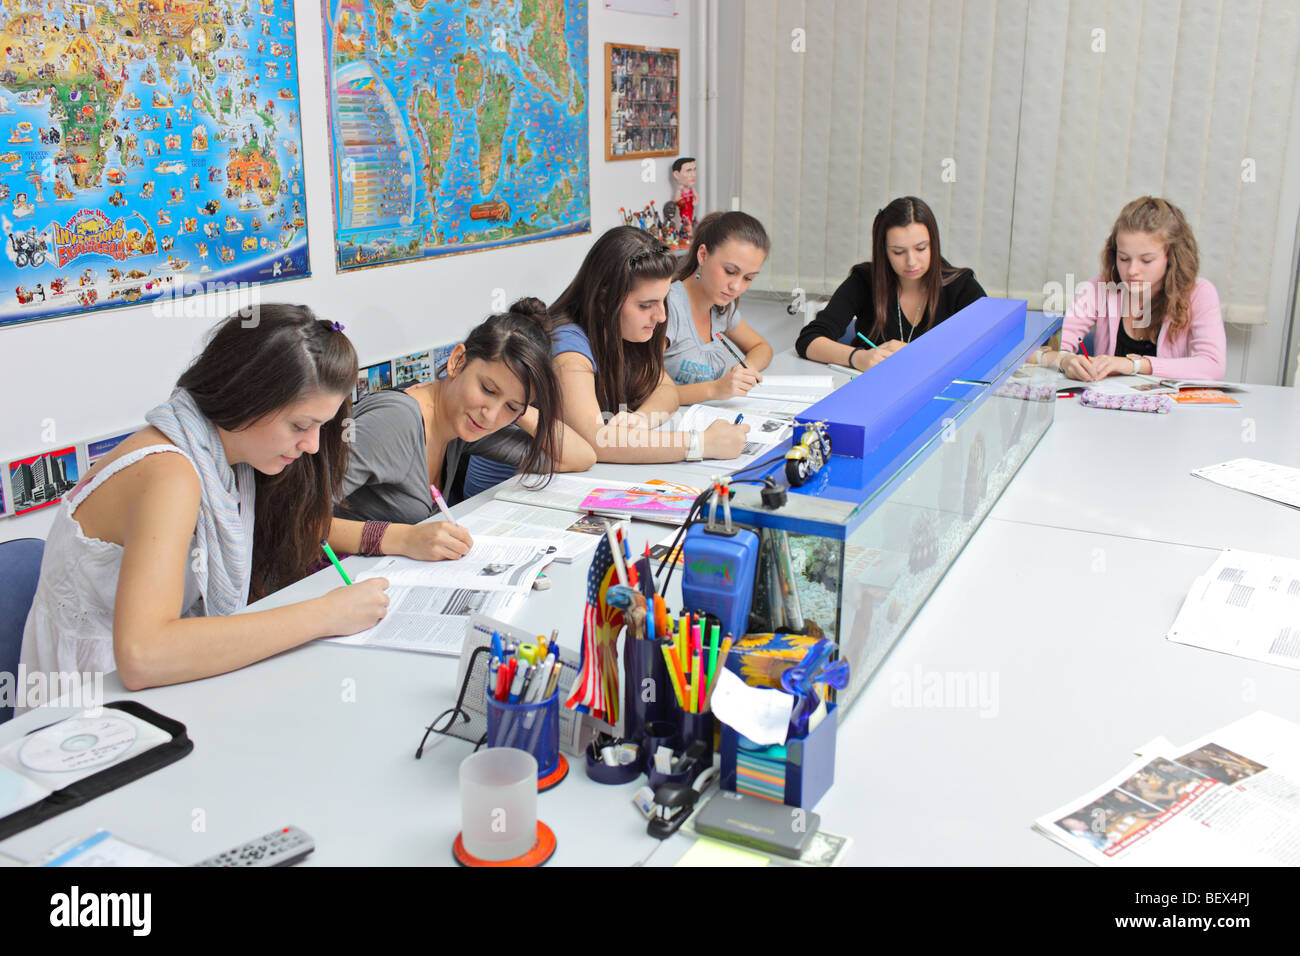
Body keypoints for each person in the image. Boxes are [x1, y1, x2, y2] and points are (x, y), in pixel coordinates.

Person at [20, 306, 390, 694]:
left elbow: (297, 525)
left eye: (322, 427)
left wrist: (388, 539)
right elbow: (143, 656)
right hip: (88, 701)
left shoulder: (225, 458)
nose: (312, 445)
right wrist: (325, 614)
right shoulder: (171, 474)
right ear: (247, 396)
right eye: (300, 425)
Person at [336, 298, 595, 554]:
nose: (491, 416)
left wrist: (519, 411)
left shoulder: (465, 426)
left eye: (511, 407)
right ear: (458, 360)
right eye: (487, 389)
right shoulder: (394, 421)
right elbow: (299, 517)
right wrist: (402, 539)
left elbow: (579, 456)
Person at [550, 226, 749, 464]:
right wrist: (700, 444)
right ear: (604, 301)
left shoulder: (628, 329)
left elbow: (666, 389)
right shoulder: (568, 349)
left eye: (663, 300)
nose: (661, 316)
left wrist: (641, 419)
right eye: (646, 305)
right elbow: (597, 441)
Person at [1043, 197, 1225, 382]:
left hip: (1171, 408)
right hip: (1106, 407)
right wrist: (1066, 359)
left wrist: (1135, 365)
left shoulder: (1200, 293)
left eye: (1146, 260)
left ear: (1171, 257)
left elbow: (1212, 366)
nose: (1132, 271)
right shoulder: (1099, 289)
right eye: (1123, 258)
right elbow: (1045, 350)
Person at [796, 196, 986, 371]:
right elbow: (809, 340)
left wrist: (917, 354)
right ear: (884, 251)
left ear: (934, 245)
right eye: (898, 252)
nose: (911, 261)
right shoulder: (864, 281)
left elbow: (990, 350)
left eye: (921, 248)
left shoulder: (961, 287)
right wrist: (858, 357)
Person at [663, 211, 772, 403]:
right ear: (703, 255)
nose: (737, 287)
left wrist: (745, 369)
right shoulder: (666, 308)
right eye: (730, 271)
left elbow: (762, 347)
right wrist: (716, 389)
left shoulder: (722, 308)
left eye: (748, 278)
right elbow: (646, 393)